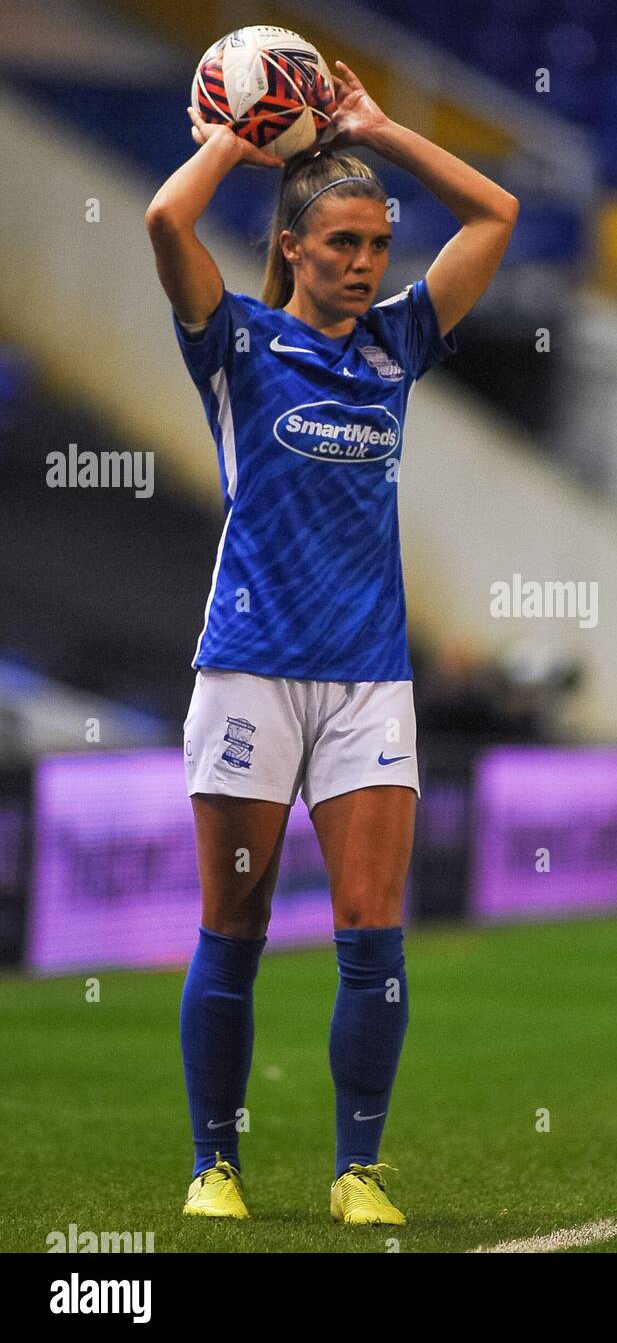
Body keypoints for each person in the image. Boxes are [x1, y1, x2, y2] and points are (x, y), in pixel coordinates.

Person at [144, 60, 518, 1226]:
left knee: (372, 926)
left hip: (368, 683)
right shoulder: (236, 344)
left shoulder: (398, 344)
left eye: (375, 244)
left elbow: (497, 211)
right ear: (295, 249)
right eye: (343, 243)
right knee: (236, 924)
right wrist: (239, 141)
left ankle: (357, 1168)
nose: (365, 264)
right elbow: (165, 216)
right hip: (249, 669)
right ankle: (216, 1164)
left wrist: (377, 129)